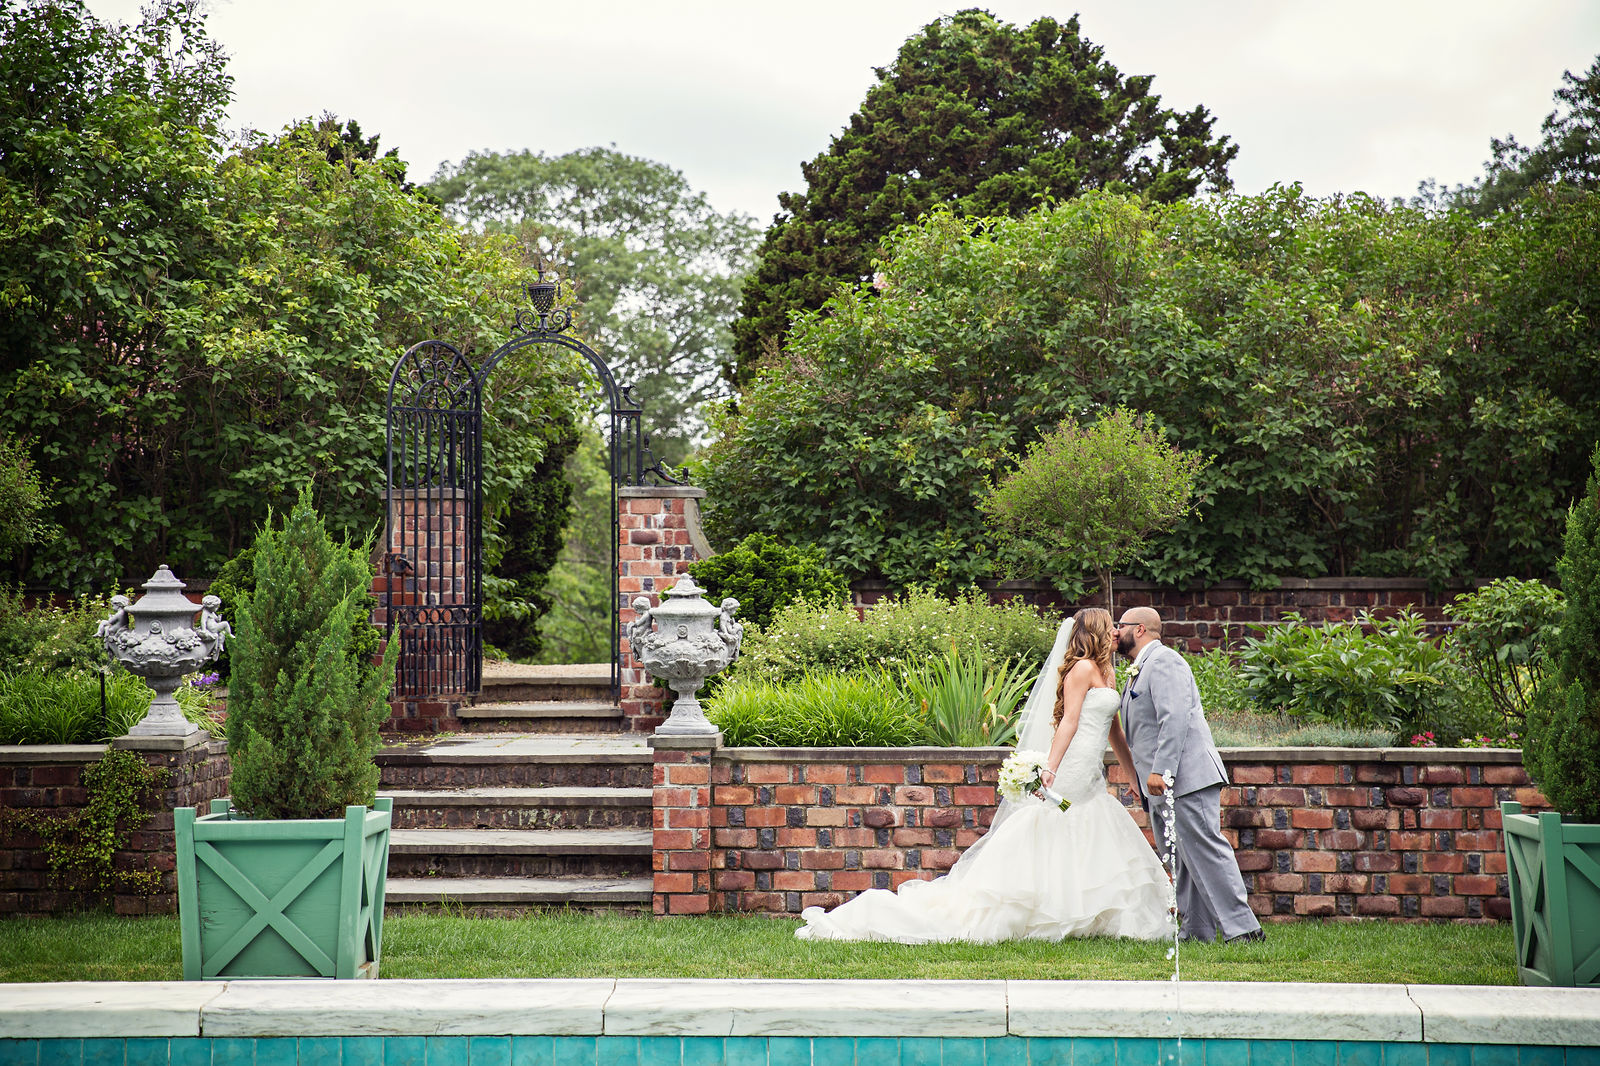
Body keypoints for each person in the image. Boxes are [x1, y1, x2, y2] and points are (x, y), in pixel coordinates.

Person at [795, 608, 1174, 943]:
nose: (1115, 633)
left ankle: (1090, 913)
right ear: (1094, 632)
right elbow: (1069, 723)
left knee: (1091, 828)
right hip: (1071, 766)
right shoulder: (1083, 669)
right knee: (1062, 827)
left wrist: (1133, 776)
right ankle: (1048, 909)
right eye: (1109, 626)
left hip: (1092, 773)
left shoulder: (1109, 672)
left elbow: (1115, 732)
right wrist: (1051, 768)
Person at [1115, 606, 1264, 944]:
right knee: (1181, 855)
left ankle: (1244, 929)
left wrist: (1160, 771)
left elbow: (1175, 718)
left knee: (1206, 848)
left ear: (1139, 630)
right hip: (1164, 782)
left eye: (1119, 625)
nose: (1114, 631)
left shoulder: (1164, 661)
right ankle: (1196, 931)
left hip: (1185, 778)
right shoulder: (1139, 668)